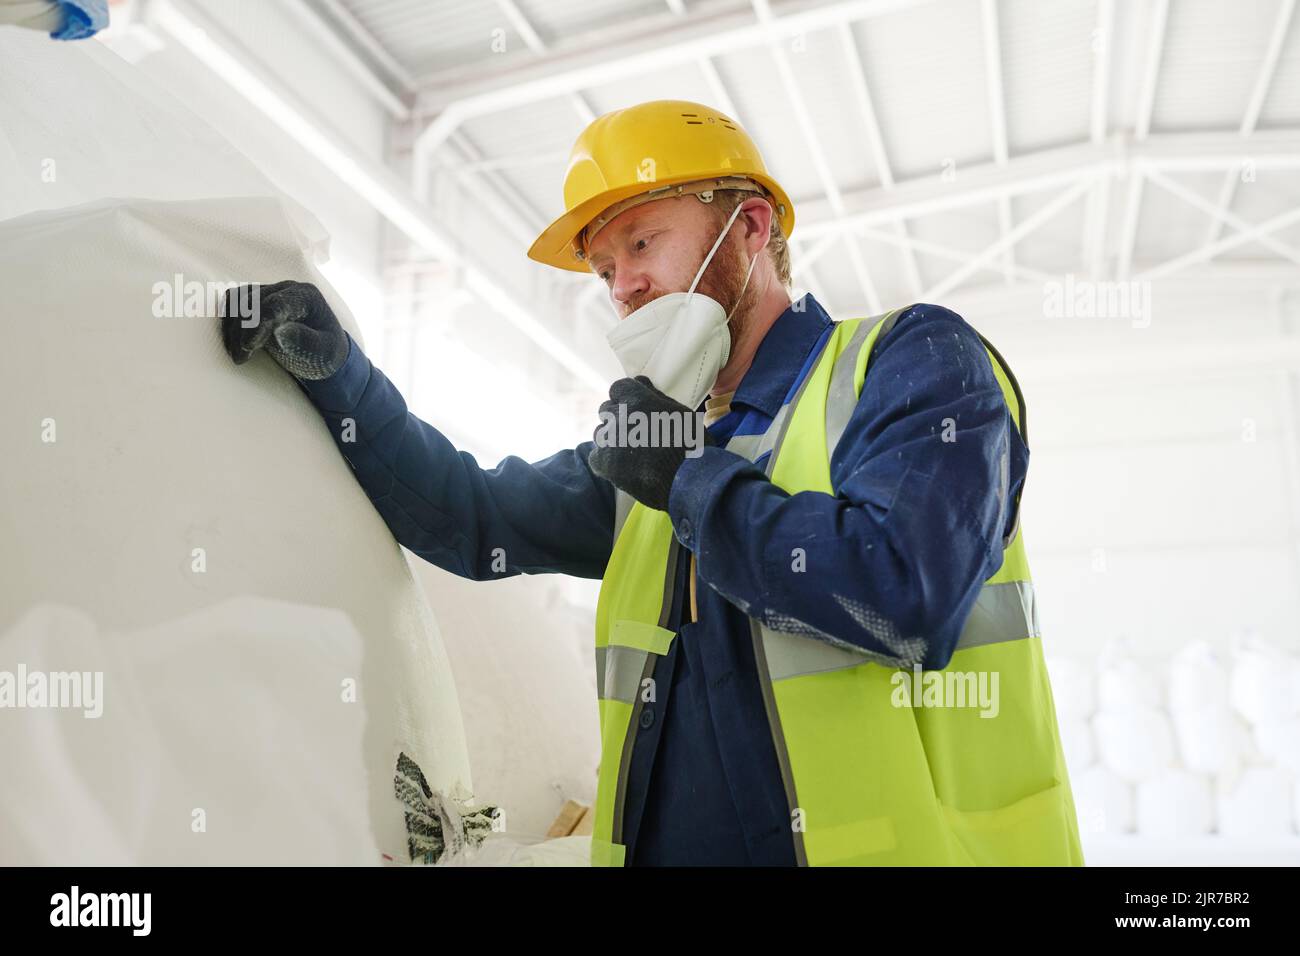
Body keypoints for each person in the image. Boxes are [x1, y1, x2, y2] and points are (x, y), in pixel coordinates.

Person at [221, 99, 1083, 867]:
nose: (624, 286)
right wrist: (339, 376)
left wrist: (686, 480)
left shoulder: (911, 363)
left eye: (642, 242)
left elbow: (897, 592)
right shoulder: (659, 461)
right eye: (603, 270)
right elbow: (469, 514)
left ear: (749, 229)